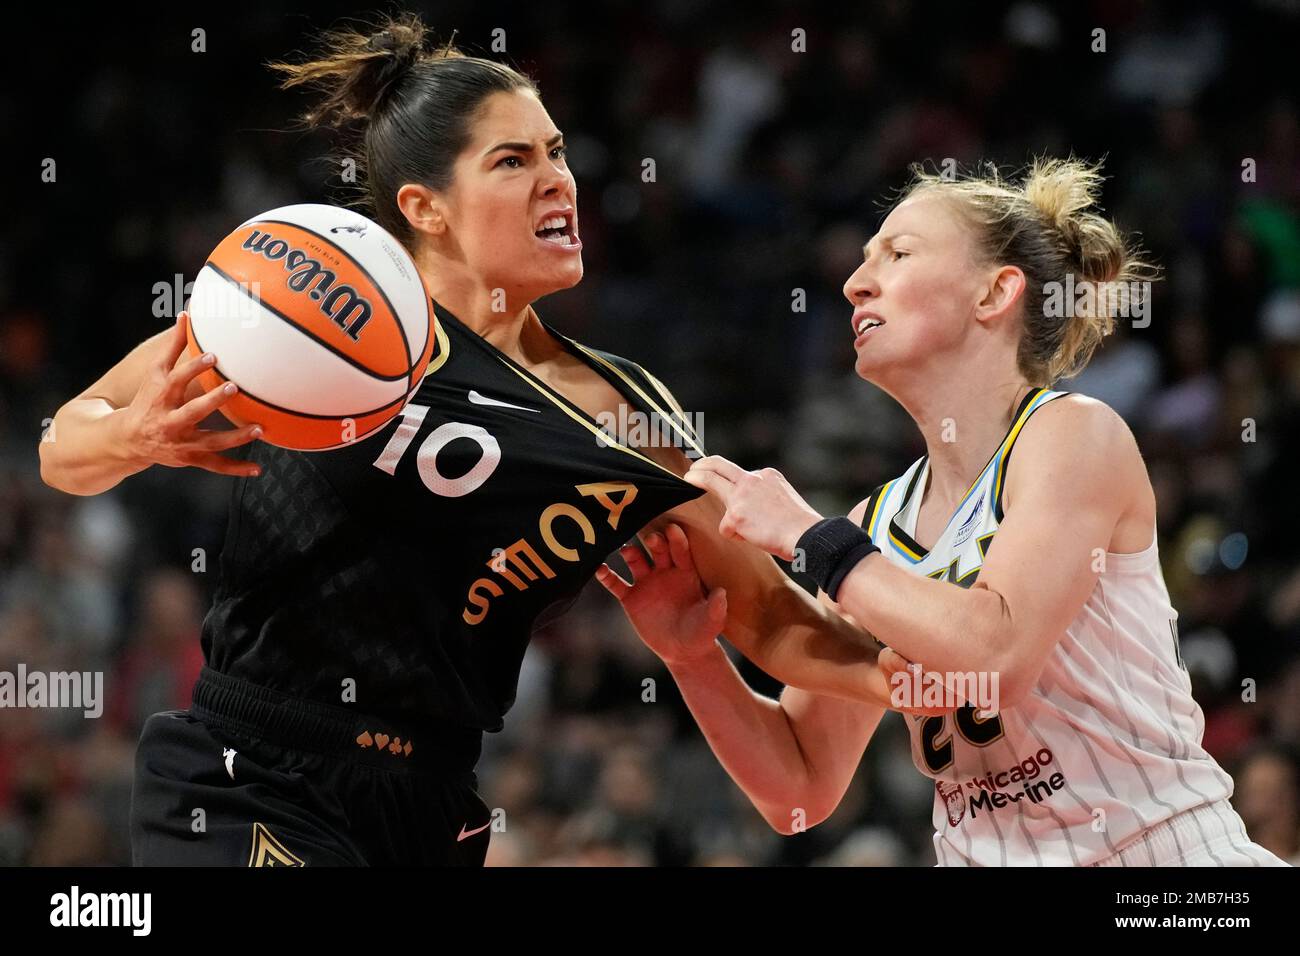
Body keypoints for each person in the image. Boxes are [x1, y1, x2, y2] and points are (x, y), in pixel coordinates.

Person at [38, 13, 911, 866]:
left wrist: (926, 675)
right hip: (251, 771)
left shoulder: (623, 412)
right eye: (513, 161)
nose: (557, 180)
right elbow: (64, 445)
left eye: (558, 152)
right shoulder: (304, 302)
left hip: (431, 798)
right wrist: (134, 437)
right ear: (425, 206)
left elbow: (765, 616)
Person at [600, 157, 1289, 866]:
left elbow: (995, 654)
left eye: (897, 253)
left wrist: (811, 538)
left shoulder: (1073, 434)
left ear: (995, 293)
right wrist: (691, 656)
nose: (854, 281)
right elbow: (799, 789)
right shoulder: (877, 525)